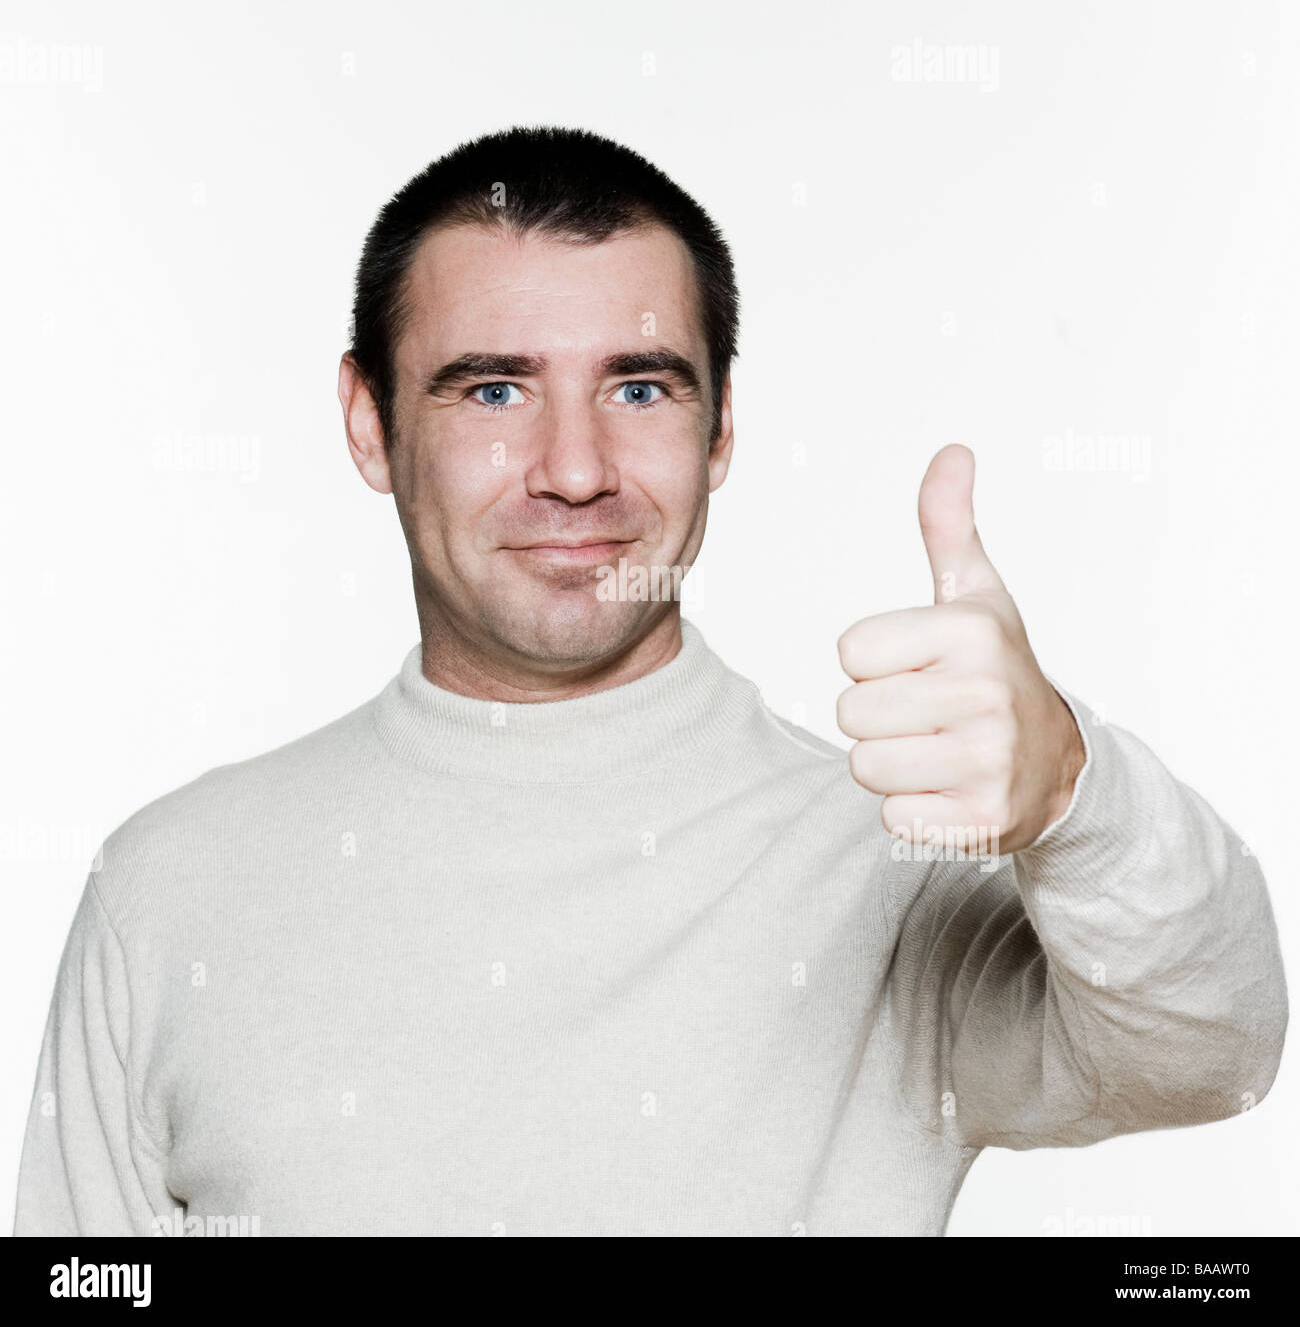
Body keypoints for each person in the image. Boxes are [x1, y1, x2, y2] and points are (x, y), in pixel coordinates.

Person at [14, 125, 1287, 1237]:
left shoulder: (887, 862)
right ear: (369, 424)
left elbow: (1213, 1052)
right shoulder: (169, 886)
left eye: (637, 387)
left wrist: (1075, 793)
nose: (574, 470)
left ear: (719, 426)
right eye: (493, 390)